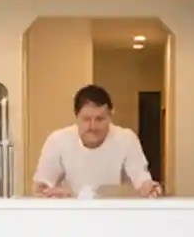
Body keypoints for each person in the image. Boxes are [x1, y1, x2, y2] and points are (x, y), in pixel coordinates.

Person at [32, 85, 162, 198]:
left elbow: (141, 178)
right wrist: (51, 193)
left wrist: (150, 188)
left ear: (110, 116)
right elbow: (40, 186)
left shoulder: (126, 139)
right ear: (76, 117)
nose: (93, 127)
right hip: (71, 212)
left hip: (113, 212)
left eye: (100, 119)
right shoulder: (57, 140)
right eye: (86, 119)